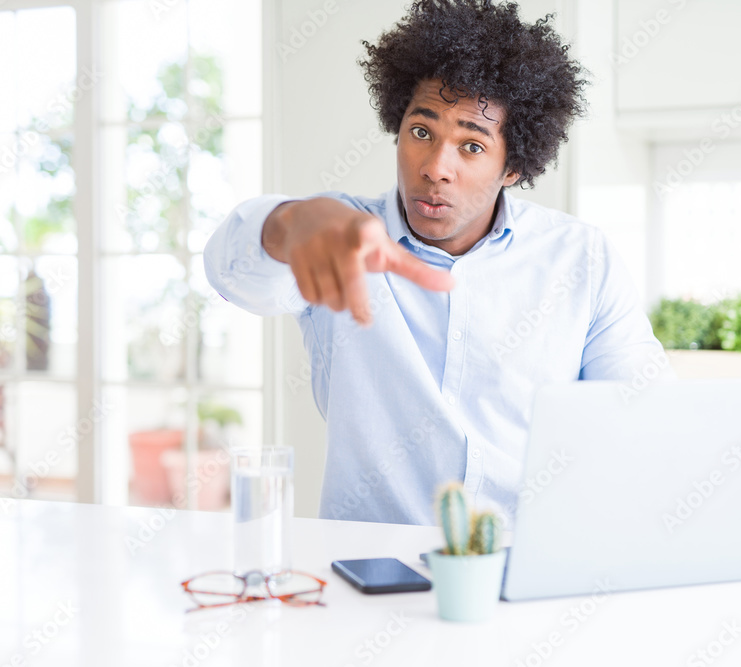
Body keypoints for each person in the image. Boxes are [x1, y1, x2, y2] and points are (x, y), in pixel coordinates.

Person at [204, 0, 669, 527]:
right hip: (366, 574)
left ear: (513, 165)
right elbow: (228, 270)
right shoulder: (339, 237)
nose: (434, 168)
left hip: (521, 574)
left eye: (471, 146)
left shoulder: (581, 259)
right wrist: (287, 225)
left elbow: (641, 417)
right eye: (421, 132)